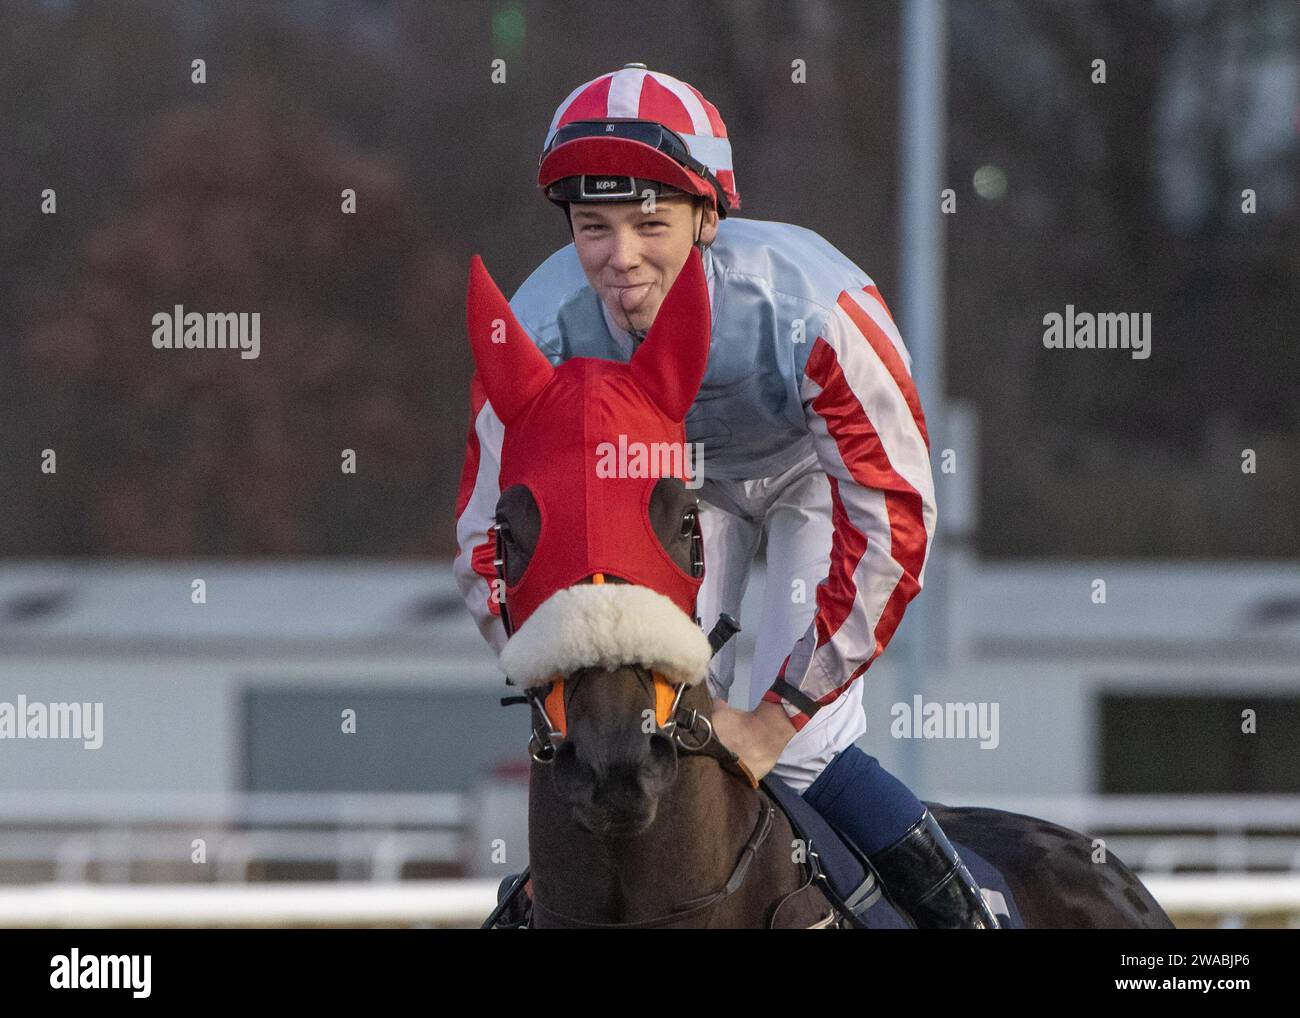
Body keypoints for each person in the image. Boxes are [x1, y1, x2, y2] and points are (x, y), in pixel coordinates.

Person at [454, 64, 999, 928]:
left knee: (803, 749)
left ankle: (961, 916)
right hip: (675, 498)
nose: (619, 258)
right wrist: (549, 671)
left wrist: (778, 716)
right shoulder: (539, 328)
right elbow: (488, 533)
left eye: (649, 224)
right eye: (592, 227)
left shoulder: (814, 312)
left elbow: (892, 519)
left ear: (709, 217)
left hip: (819, 485)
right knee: (635, 716)